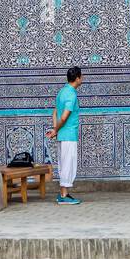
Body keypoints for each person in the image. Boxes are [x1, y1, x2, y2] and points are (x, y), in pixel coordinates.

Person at [45, 66, 82, 204]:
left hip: (62, 135)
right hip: (69, 135)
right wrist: (56, 130)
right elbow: (65, 116)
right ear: (77, 78)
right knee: (68, 164)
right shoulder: (71, 94)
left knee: (63, 164)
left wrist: (56, 129)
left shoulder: (61, 92)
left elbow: (55, 113)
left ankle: (63, 193)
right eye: (81, 77)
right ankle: (64, 196)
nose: (82, 79)